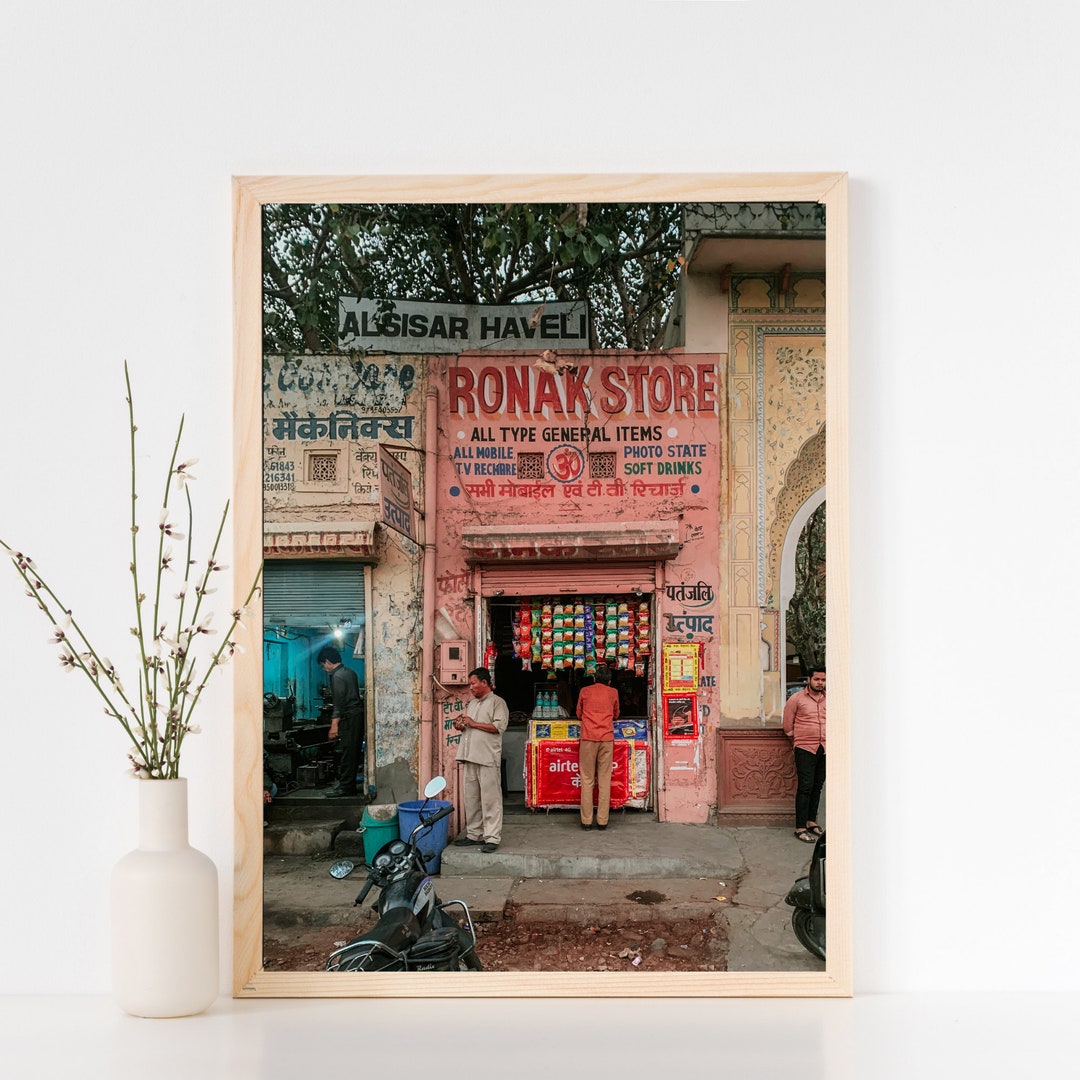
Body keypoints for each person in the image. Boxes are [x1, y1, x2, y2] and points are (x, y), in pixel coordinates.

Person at [452, 667, 509, 853]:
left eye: (473, 683)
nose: (471, 687)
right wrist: (461, 725)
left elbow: (498, 727)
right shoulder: (473, 703)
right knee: (472, 798)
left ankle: (492, 837)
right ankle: (474, 834)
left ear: (484, 683)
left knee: (490, 799)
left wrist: (473, 723)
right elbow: (470, 727)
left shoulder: (498, 702)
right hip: (470, 757)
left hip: (487, 758)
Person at [782, 666, 826, 843]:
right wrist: (797, 742)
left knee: (818, 786)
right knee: (805, 787)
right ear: (809, 679)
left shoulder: (829, 699)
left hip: (825, 748)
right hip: (805, 748)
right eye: (817, 679)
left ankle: (811, 821)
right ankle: (800, 827)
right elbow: (787, 725)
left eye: (823, 680)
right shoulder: (796, 699)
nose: (820, 683)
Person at [575, 665, 620, 831]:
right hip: (607, 738)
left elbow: (579, 713)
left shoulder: (585, 691)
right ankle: (602, 821)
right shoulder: (613, 692)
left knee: (587, 779)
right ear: (609, 681)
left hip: (587, 737)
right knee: (604, 780)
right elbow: (616, 714)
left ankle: (586, 821)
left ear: (594, 679)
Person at [317, 645, 363, 798]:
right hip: (357, 716)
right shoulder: (350, 672)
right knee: (353, 752)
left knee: (346, 753)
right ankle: (348, 784)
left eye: (323, 665)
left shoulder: (337, 676)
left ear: (328, 661)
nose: (324, 669)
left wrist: (334, 726)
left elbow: (338, 704)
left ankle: (345, 787)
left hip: (349, 718)